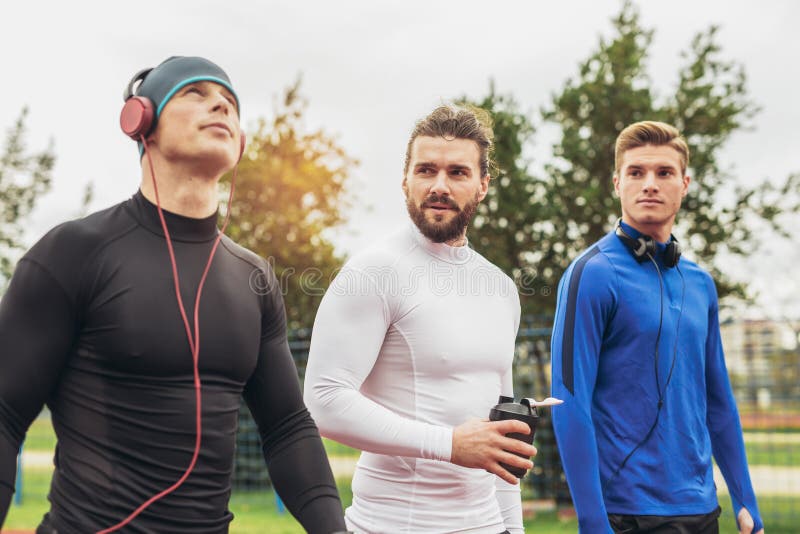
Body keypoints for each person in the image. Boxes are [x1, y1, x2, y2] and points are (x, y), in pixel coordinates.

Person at [0, 56, 347, 533]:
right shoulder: (73, 252)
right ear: (142, 121)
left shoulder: (255, 279)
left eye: (230, 103)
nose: (221, 107)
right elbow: (4, 416)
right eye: (196, 94)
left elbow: (287, 427)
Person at [303, 104, 537, 534]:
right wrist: (448, 444)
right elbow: (323, 401)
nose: (439, 186)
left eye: (458, 172)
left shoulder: (501, 289)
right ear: (405, 180)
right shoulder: (372, 272)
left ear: (483, 184)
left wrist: (514, 529)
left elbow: (499, 435)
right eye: (426, 170)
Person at [550, 121, 764, 534]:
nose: (650, 184)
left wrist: (745, 499)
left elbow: (718, 401)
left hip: (702, 508)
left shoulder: (700, 283)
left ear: (684, 184)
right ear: (617, 183)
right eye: (636, 172)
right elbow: (569, 402)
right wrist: (593, 523)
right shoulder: (591, 274)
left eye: (664, 173)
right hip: (625, 513)